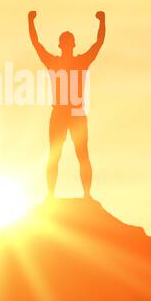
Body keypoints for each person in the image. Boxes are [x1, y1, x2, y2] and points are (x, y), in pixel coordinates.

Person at [28, 10, 105, 199]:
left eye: (69, 43)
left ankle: (87, 194)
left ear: (71, 45)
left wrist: (102, 22)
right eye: (66, 43)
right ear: (62, 45)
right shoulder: (55, 62)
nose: (68, 46)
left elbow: (98, 43)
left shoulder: (80, 61)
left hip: (76, 113)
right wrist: (30, 22)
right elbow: (36, 44)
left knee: (82, 154)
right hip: (61, 113)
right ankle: (51, 195)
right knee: (55, 155)